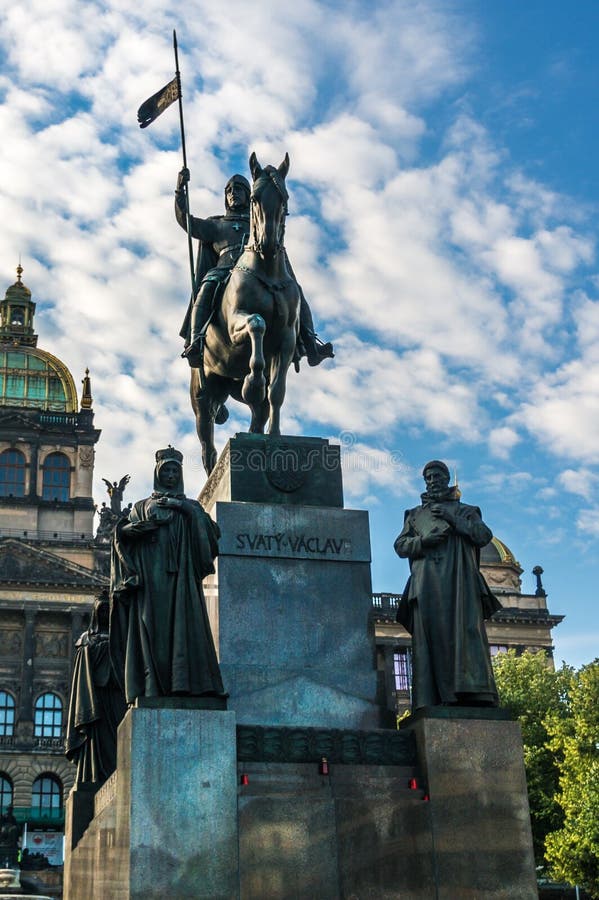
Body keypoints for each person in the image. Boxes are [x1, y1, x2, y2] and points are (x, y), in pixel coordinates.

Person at [175, 167, 334, 370]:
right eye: (229, 191)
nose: (233, 193)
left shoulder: (257, 223)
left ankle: (310, 344)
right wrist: (180, 190)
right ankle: (196, 341)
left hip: (261, 271)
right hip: (224, 271)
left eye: (238, 189)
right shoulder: (216, 224)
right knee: (207, 285)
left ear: (248, 195)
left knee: (295, 290)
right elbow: (186, 221)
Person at [109, 446, 226, 704]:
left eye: (175, 471)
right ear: (157, 473)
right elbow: (121, 537)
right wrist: (130, 531)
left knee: (184, 630)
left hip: (181, 581)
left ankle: (184, 684)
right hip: (150, 581)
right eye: (166, 471)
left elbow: (211, 535)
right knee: (151, 631)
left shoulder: (191, 506)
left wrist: (183, 508)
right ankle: (152, 687)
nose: (171, 475)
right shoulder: (141, 507)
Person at [394, 460, 501, 710]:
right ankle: (433, 698)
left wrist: (453, 519)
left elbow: (483, 535)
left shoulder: (467, 510)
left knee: (465, 634)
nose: (433, 481)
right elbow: (400, 546)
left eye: (437, 476)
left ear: (446, 479)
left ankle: (471, 694)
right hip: (426, 583)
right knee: (429, 638)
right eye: (428, 478)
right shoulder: (414, 515)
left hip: (459, 582)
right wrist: (424, 541)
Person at [65, 591, 127, 786]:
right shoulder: (85, 638)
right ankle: (93, 775)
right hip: (95, 695)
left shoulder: (121, 637)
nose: (105, 614)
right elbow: (82, 671)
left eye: (108, 610)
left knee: (117, 735)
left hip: (116, 693)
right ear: (95, 613)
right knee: (97, 738)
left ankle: (116, 774)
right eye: (102, 610)